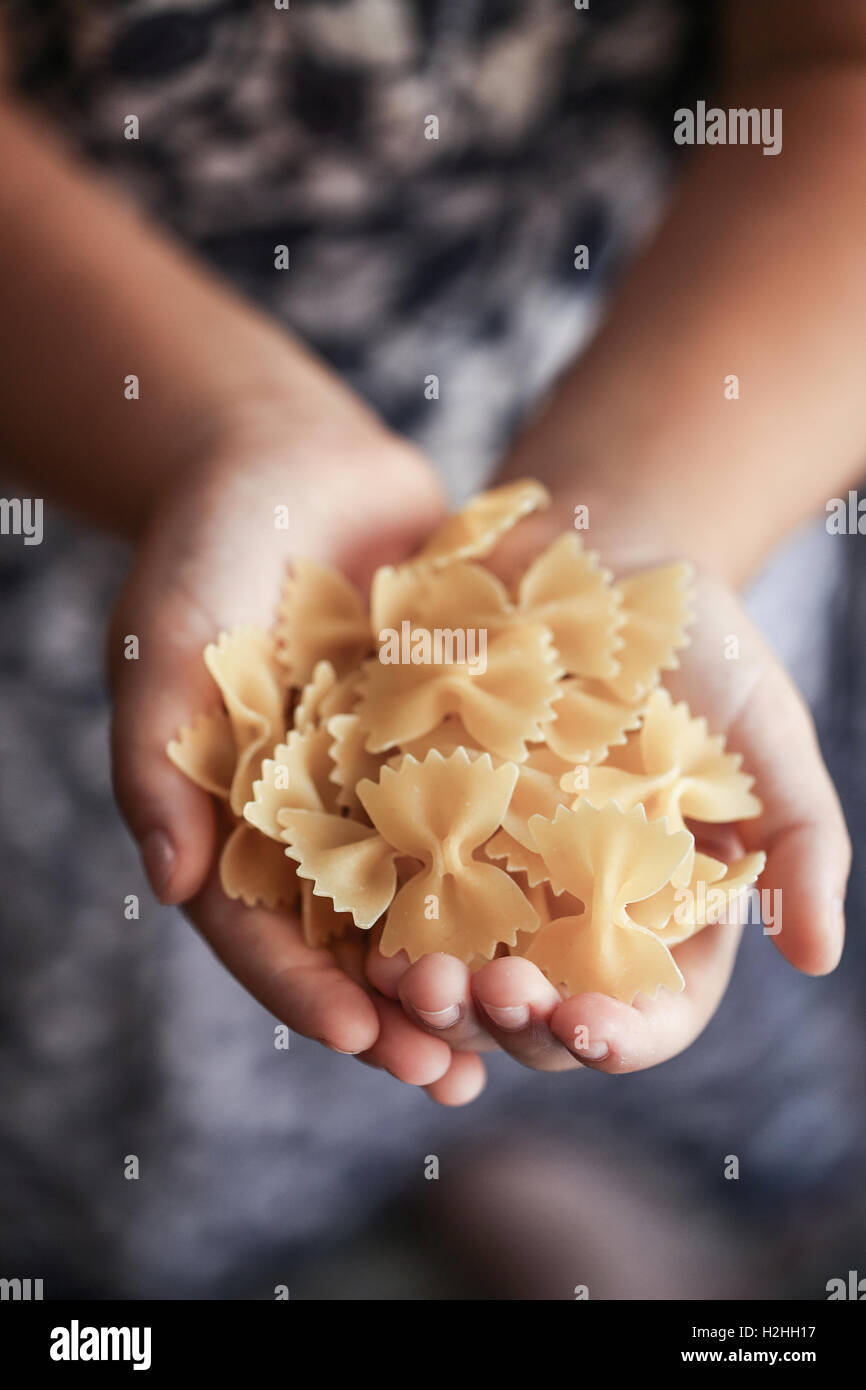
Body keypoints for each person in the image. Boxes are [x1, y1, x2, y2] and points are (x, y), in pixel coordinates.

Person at [0, 1, 860, 1297]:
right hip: (79, 433)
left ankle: (536, 1173)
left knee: (584, 1002)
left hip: (684, 388)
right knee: (166, 1046)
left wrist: (648, 520)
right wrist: (216, 439)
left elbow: (837, 59)